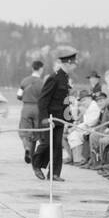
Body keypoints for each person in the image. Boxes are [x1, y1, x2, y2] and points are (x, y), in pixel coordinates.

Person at [34, 46, 76, 180]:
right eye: (74, 63)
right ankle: (36, 165)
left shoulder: (65, 78)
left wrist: (69, 119)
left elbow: (65, 100)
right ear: (68, 63)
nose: (75, 66)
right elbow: (42, 99)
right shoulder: (54, 78)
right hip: (50, 118)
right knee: (46, 144)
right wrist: (45, 118)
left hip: (59, 118)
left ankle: (54, 173)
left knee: (57, 146)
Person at [18, 60, 45, 166]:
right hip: (37, 108)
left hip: (26, 108)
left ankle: (27, 148)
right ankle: (33, 155)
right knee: (36, 133)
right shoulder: (42, 82)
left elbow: (18, 96)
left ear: (32, 68)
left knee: (25, 133)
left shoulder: (24, 81)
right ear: (41, 69)